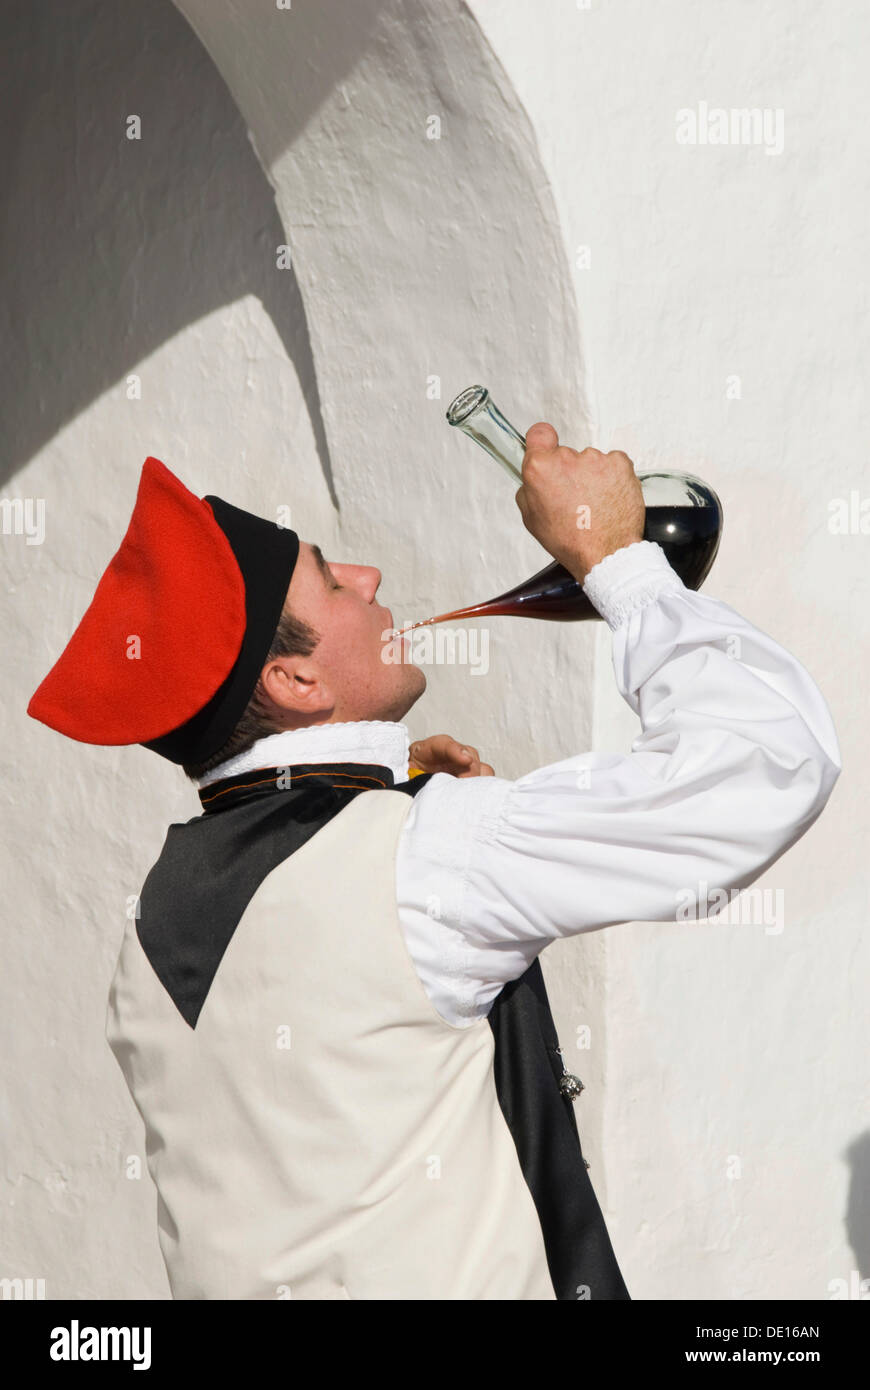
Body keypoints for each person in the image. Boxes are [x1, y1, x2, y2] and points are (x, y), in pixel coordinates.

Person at [27, 424, 840, 1300]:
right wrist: (619, 564)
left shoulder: (151, 925)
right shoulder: (428, 854)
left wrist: (384, 793)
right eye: (333, 579)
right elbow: (767, 764)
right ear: (297, 685)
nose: (369, 579)